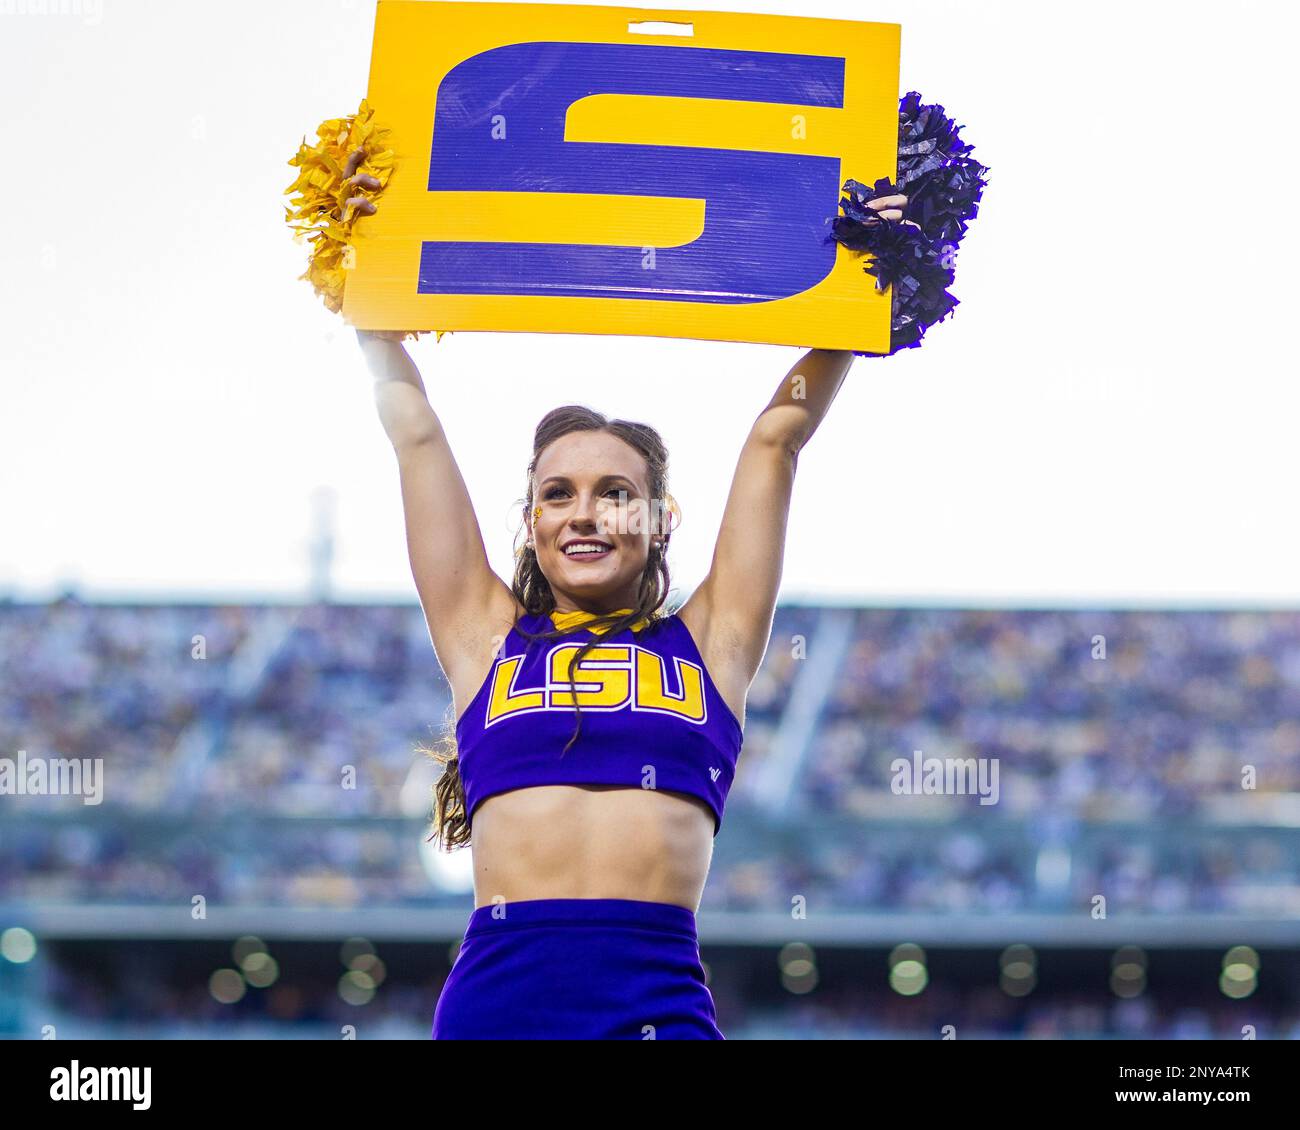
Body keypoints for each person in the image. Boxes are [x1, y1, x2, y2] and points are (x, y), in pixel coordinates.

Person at [353, 190, 909, 1039]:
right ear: (531, 524)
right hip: (498, 1010)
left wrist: (867, 278)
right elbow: (416, 433)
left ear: (658, 522)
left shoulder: (713, 644)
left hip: (657, 1009)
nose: (583, 514)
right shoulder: (484, 639)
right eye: (556, 495)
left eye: (616, 494)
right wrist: (364, 270)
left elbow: (775, 441)